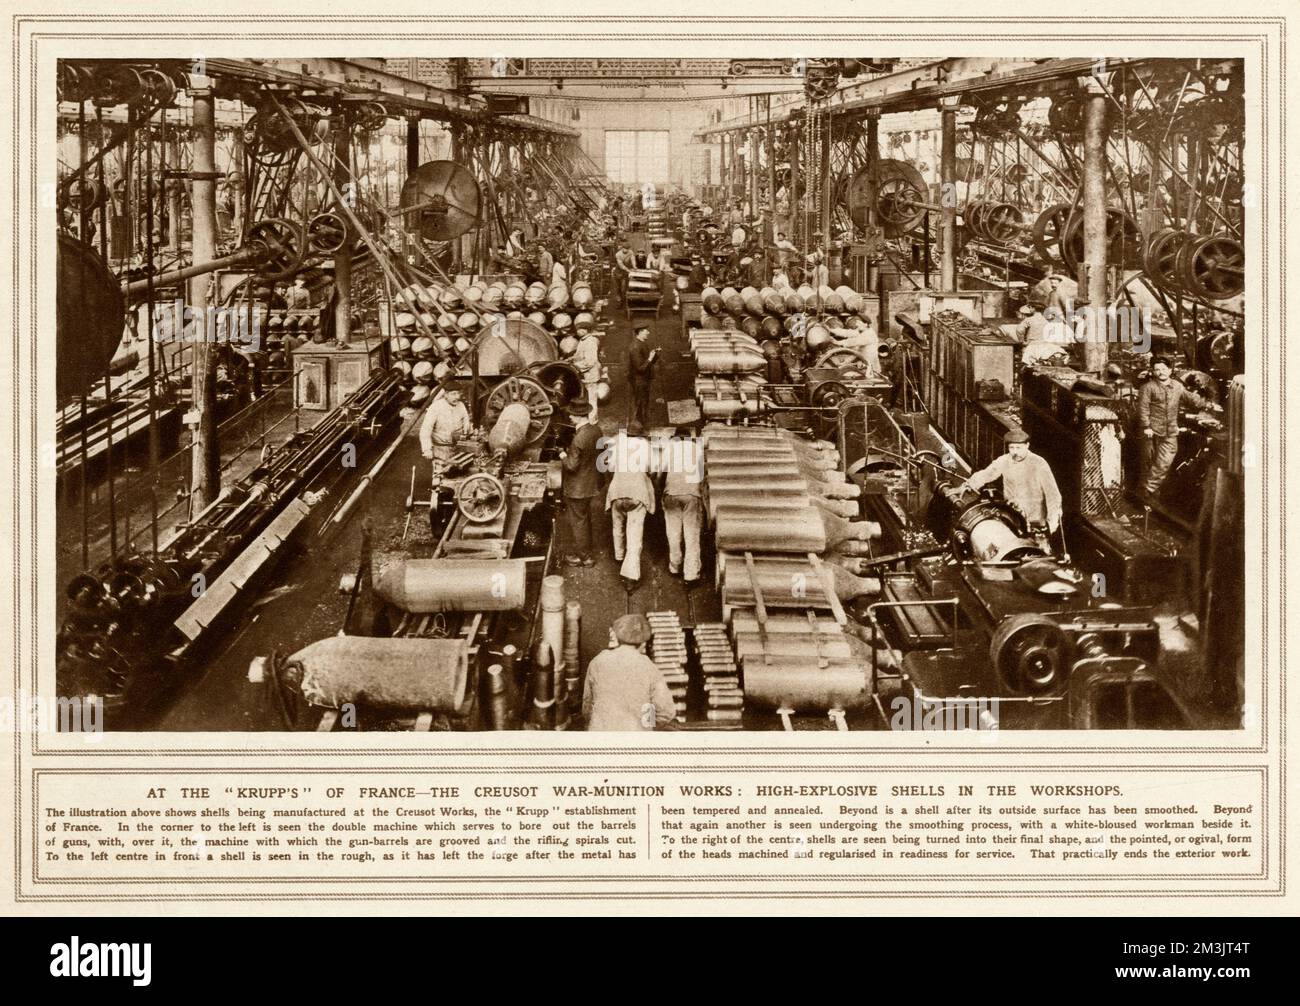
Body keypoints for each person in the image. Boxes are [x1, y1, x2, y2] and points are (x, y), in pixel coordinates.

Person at [1137, 357, 1221, 495]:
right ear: (1153, 371)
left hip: (1170, 430)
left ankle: (1148, 489)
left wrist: (1209, 405)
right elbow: (1143, 408)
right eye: (1157, 369)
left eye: (1163, 369)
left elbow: (1191, 398)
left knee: (1164, 461)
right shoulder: (1147, 388)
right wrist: (1146, 426)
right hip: (1151, 430)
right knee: (1148, 461)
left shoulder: (1177, 386)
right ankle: (1147, 492)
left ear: (1170, 370)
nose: (1160, 372)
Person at [581, 613, 676, 731]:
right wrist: (645, 724)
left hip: (601, 738)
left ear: (618, 638)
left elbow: (587, 708)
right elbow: (666, 712)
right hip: (634, 740)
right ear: (643, 643)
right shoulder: (648, 666)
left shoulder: (598, 661)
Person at [961, 429, 1063, 536]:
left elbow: (1053, 496)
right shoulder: (1004, 460)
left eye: (1018, 448)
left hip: (1035, 523)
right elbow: (986, 474)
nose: (1015, 452)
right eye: (1011, 448)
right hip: (1012, 518)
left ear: (1027, 445)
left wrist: (1052, 523)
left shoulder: (1039, 463)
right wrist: (967, 485)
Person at [605, 421, 656, 589]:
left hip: (617, 493)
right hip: (636, 495)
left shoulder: (618, 444)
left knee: (617, 527)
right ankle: (630, 577)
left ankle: (619, 556)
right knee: (634, 535)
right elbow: (652, 470)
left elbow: (610, 467)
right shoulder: (646, 446)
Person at [560, 399, 603, 567]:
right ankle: (586, 549)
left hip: (578, 488)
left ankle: (584, 557)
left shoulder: (579, 439)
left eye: (571, 414)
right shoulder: (596, 430)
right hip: (591, 483)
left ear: (578, 416)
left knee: (578, 521)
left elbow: (571, 466)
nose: (569, 416)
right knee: (584, 518)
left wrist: (563, 455)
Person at [661, 427, 703, 583]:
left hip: (671, 493)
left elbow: (661, 473)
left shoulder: (669, 447)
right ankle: (691, 574)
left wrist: (663, 491)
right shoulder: (696, 448)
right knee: (691, 534)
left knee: (673, 532)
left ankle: (675, 566)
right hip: (691, 494)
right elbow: (702, 474)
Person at [419, 383, 472, 464]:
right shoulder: (435, 407)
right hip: (441, 450)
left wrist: (467, 431)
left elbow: (466, 420)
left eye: (458, 393)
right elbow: (425, 430)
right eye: (453, 394)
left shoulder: (461, 405)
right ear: (445, 395)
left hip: (458, 448)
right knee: (442, 472)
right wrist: (427, 449)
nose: (457, 397)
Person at [571, 323, 604, 421]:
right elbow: (580, 355)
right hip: (586, 375)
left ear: (586, 330)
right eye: (577, 330)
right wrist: (571, 358)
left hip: (590, 375)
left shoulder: (590, 341)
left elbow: (590, 362)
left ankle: (592, 420)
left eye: (580, 329)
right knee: (587, 398)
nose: (578, 332)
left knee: (591, 399)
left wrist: (576, 366)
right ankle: (587, 419)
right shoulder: (583, 340)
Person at [627, 326, 656, 426]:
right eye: (646, 331)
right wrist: (650, 358)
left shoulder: (642, 344)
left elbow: (646, 363)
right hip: (639, 380)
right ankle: (638, 426)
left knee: (643, 403)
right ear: (639, 332)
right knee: (640, 403)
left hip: (644, 379)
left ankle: (642, 424)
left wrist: (654, 356)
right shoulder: (635, 346)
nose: (648, 332)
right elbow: (640, 368)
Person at [613, 241, 636, 307]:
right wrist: (628, 270)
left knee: (624, 287)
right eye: (625, 248)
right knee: (618, 288)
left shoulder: (631, 252)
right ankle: (619, 302)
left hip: (625, 273)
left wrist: (634, 266)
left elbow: (633, 259)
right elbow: (621, 265)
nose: (626, 250)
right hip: (618, 272)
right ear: (622, 248)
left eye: (627, 249)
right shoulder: (618, 254)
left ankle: (626, 301)